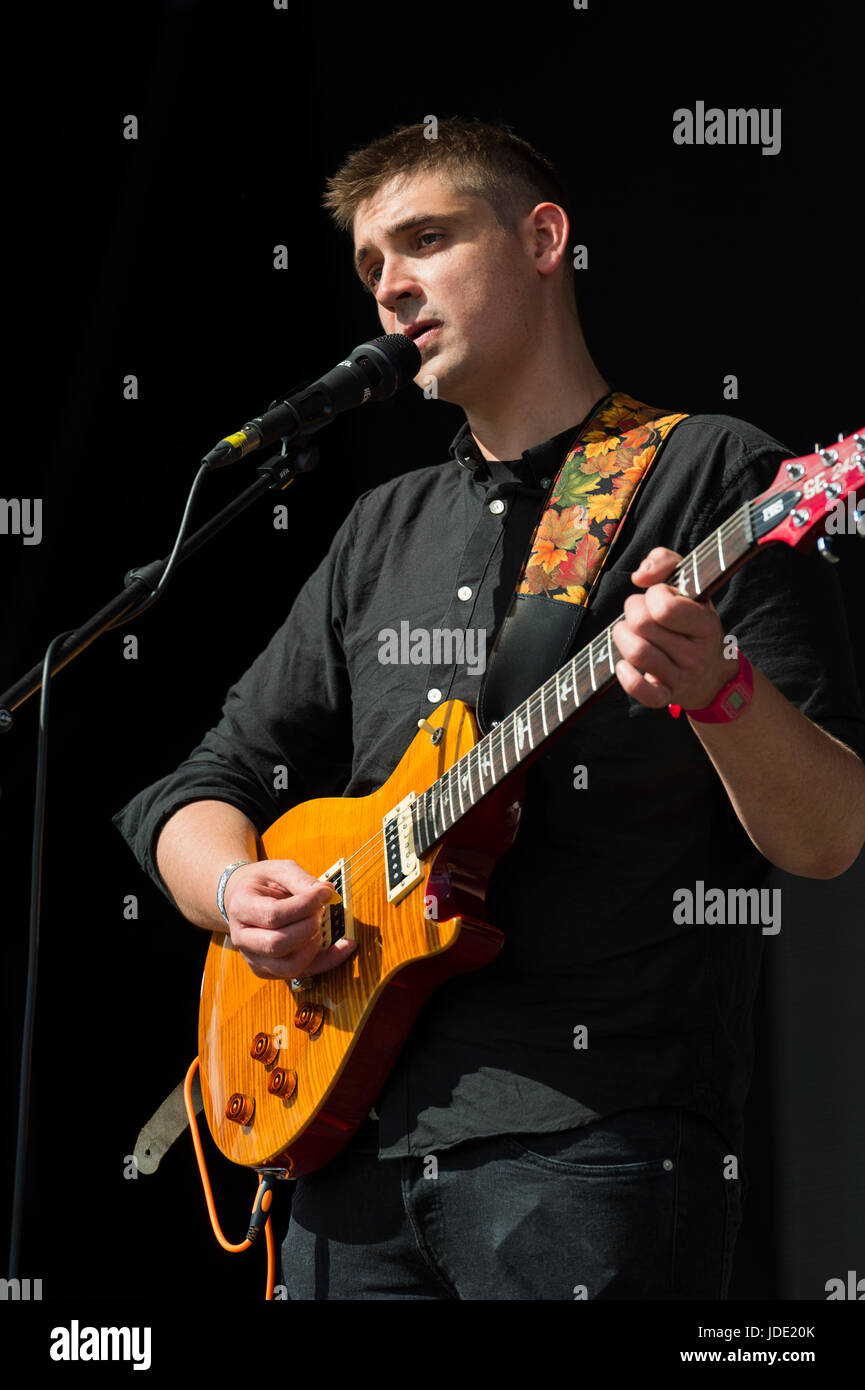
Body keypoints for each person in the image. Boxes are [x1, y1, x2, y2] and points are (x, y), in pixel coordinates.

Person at [114, 117, 865, 1300]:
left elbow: (826, 836)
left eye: (424, 240)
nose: (391, 287)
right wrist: (230, 892)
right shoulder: (381, 528)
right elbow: (197, 784)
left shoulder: (710, 472)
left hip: (592, 1146)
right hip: (345, 1160)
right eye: (369, 266)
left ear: (542, 240)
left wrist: (717, 690)